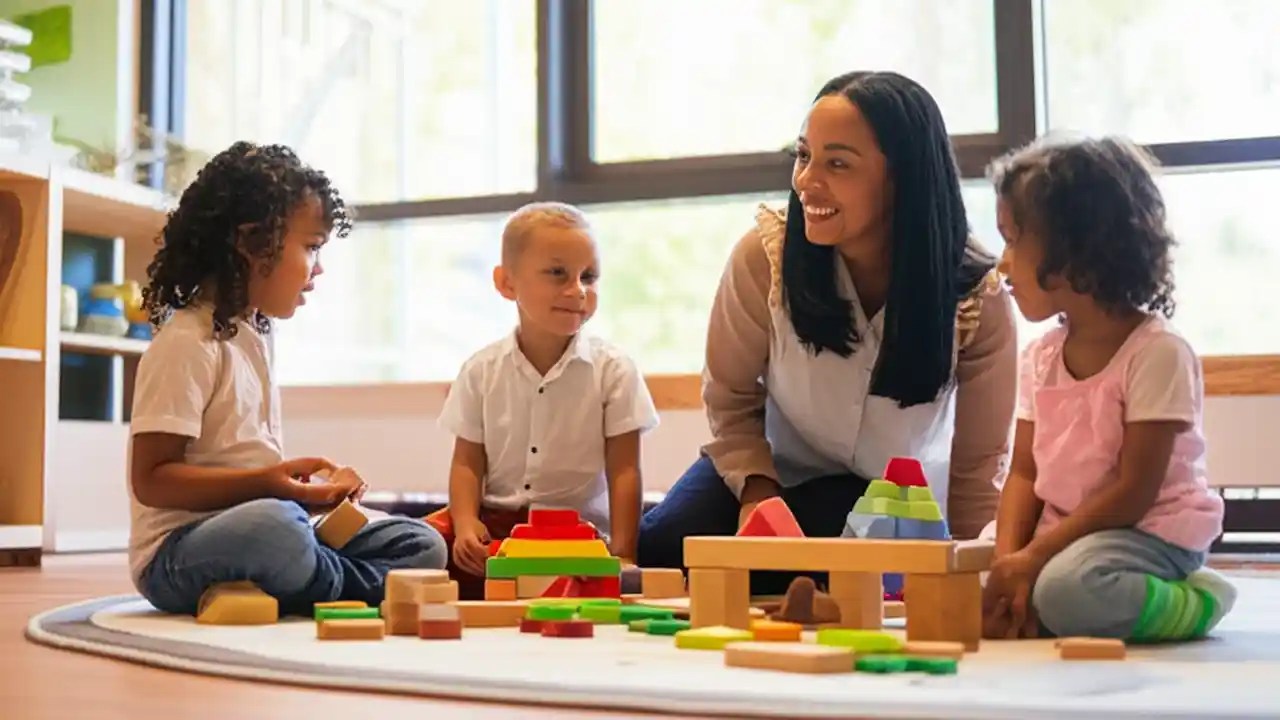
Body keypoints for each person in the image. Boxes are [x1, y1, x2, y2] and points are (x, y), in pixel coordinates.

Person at [637, 70, 1018, 592]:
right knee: (666, 545)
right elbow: (729, 398)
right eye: (803, 156)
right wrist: (758, 496)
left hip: (885, 494)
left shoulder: (978, 296)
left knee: (836, 564)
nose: (806, 181)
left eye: (837, 163)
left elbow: (979, 463)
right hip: (773, 468)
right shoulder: (765, 256)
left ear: (903, 177)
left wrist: (975, 576)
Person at [128, 141, 447, 616]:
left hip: (268, 519)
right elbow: (152, 481)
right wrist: (273, 487)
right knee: (276, 529)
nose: (317, 269)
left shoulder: (255, 332)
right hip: (180, 553)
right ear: (253, 243)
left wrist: (304, 489)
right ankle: (331, 579)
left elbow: (251, 466)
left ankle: (308, 576)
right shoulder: (186, 342)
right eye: (312, 247)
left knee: (421, 544)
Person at [980, 135, 1236, 641]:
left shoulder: (1157, 354)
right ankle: (1044, 598)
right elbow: (1025, 472)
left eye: (1013, 240)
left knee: (1065, 590)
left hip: (1148, 532)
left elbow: (1134, 493)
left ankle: (1197, 599)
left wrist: (1034, 561)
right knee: (967, 578)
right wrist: (1009, 564)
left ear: (1074, 251)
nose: (1002, 264)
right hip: (1065, 534)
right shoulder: (1041, 357)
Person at [427, 202, 660, 599]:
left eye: (588, 276)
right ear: (506, 284)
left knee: (576, 578)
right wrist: (465, 524)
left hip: (577, 531)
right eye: (557, 273)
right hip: (495, 526)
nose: (577, 290)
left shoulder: (614, 370)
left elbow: (625, 471)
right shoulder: (480, 370)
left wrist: (623, 555)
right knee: (420, 544)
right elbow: (467, 462)